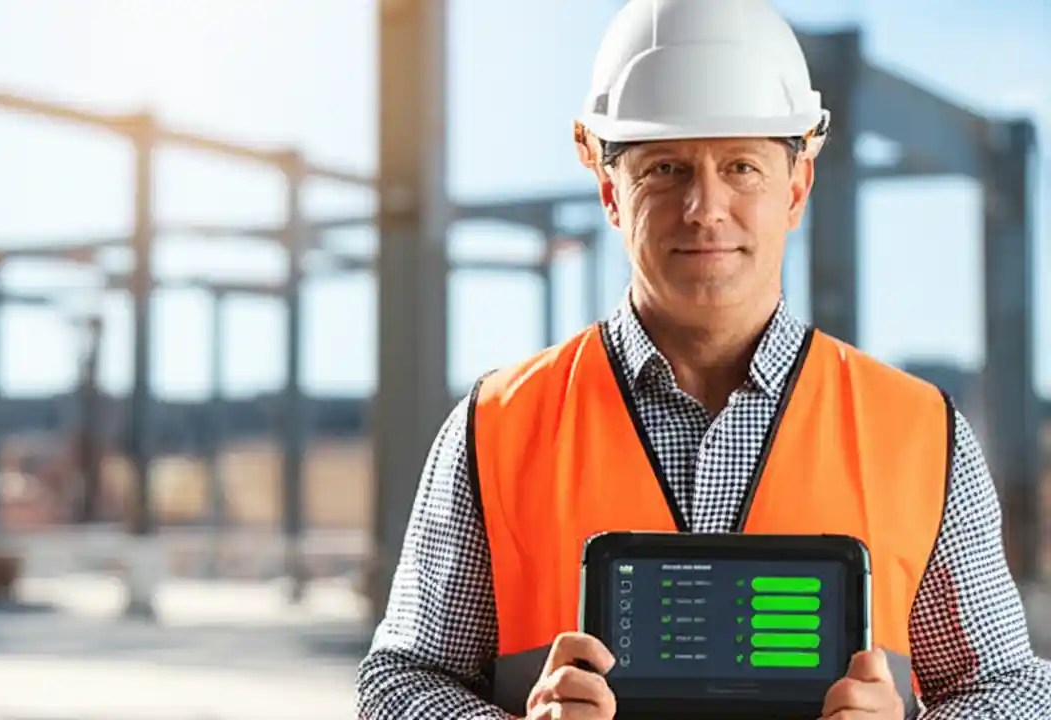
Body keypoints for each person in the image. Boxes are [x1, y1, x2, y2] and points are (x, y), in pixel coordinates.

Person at [356, 0, 1051, 718]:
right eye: (666, 167)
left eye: (742, 166)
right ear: (610, 191)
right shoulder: (496, 427)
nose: (705, 207)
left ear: (798, 187)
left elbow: (1014, 687)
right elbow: (400, 680)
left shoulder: (920, 434)